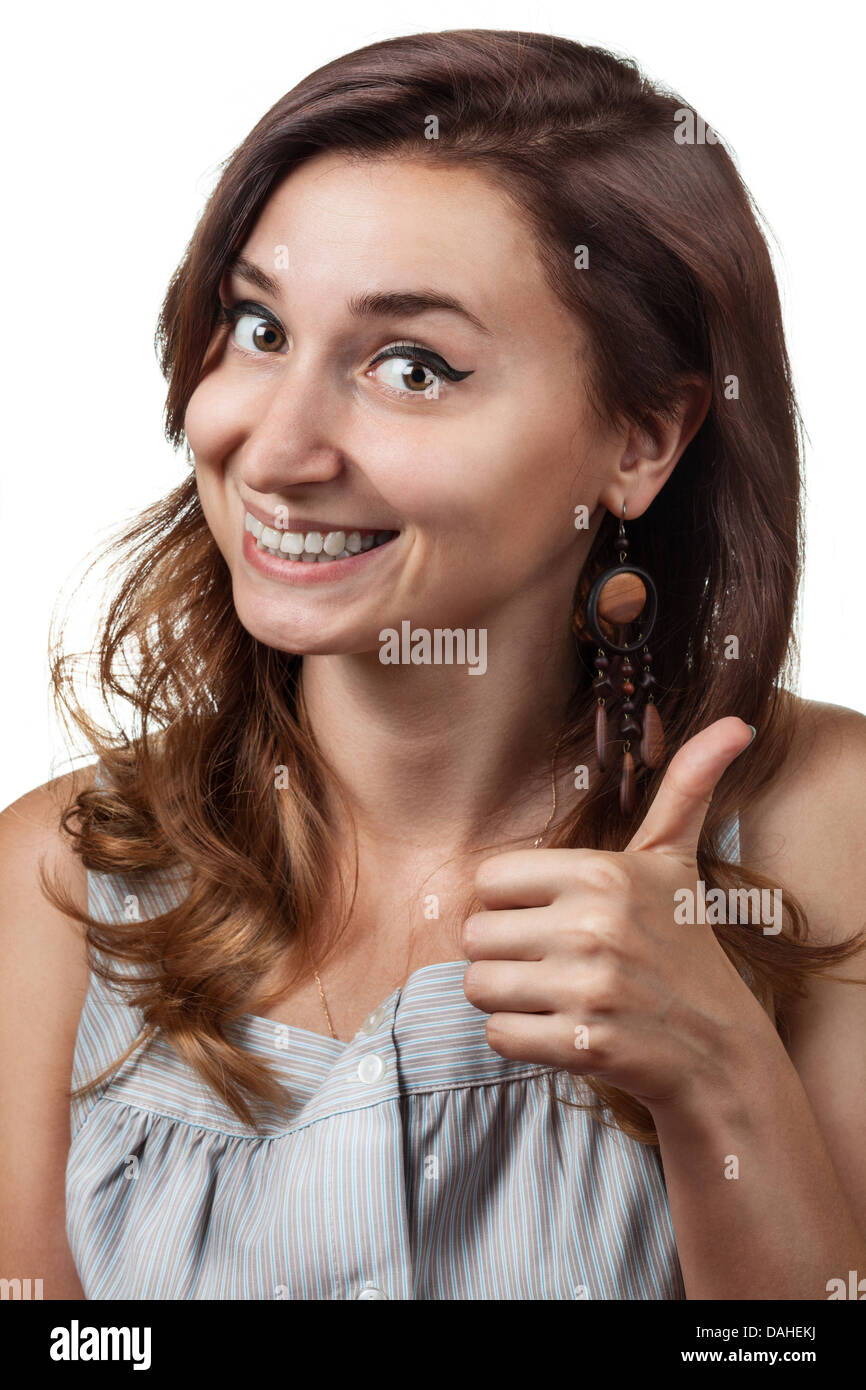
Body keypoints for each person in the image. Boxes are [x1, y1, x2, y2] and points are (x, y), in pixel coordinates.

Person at [2, 28, 865, 1301]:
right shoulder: (56, 882)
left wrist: (721, 1080)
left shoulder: (820, 830)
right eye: (256, 327)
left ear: (642, 437)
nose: (275, 446)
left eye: (410, 367)